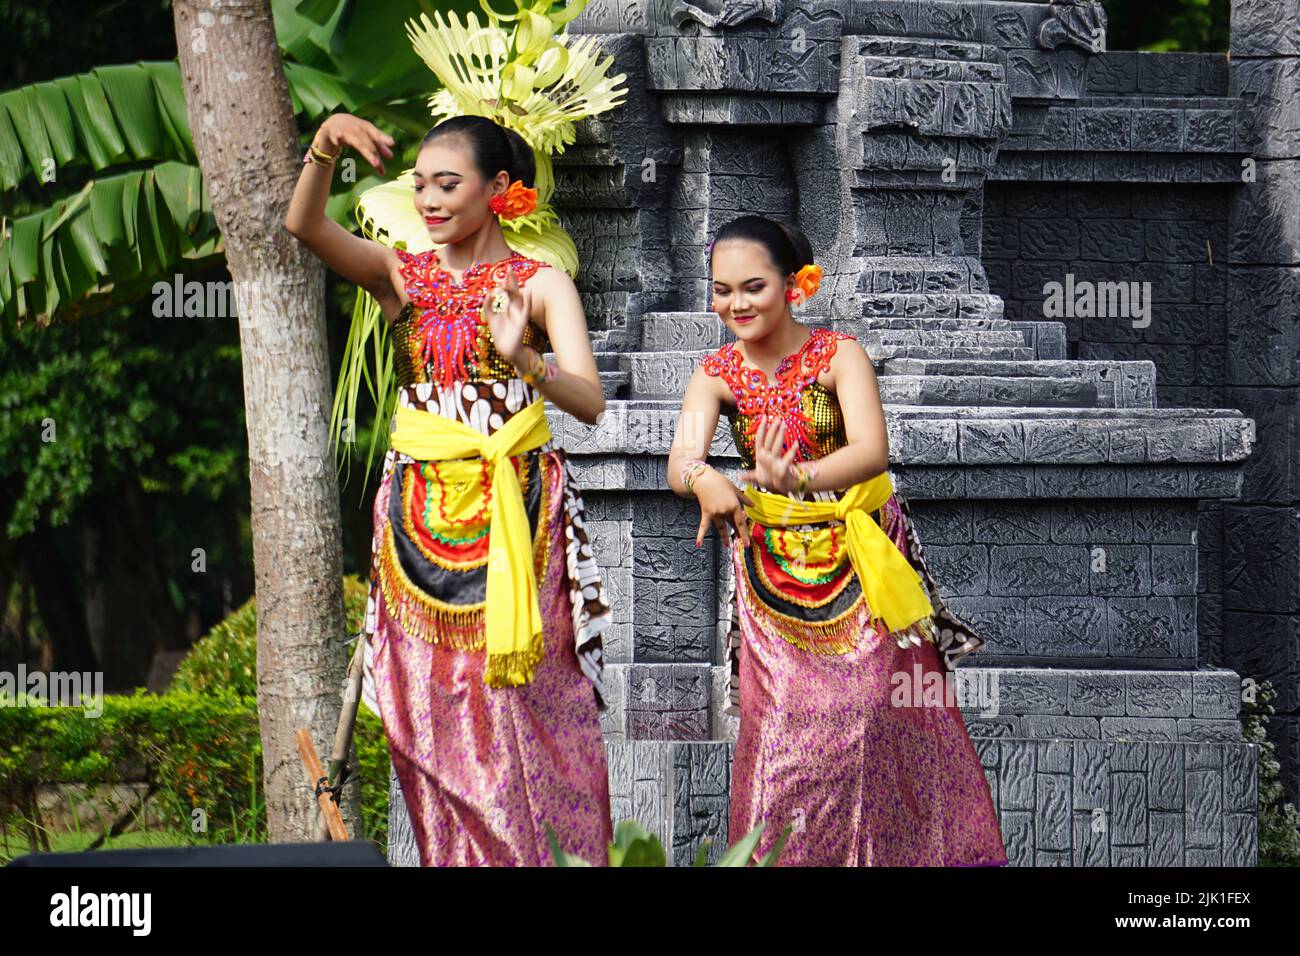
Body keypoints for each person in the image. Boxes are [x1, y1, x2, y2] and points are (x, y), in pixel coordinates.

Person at [284, 111, 613, 866]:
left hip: (521, 511)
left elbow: (590, 402)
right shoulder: (401, 271)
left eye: (448, 184)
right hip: (417, 519)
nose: (429, 201)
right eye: (420, 185)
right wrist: (325, 144)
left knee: (524, 709)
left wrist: (523, 359)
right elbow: (304, 226)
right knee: (424, 712)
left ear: (499, 189)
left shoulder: (540, 283)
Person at [667, 214, 1008, 866]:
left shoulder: (839, 355)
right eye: (721, 290)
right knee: (780, 739)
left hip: (860, 560)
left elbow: (872, 453)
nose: (734, 304)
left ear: (797, 285)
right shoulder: (713, 373)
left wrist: (796, 476)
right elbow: (680, 455)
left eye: (752, 287)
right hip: (773, 577)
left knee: (870, 726)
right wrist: (702, 475)